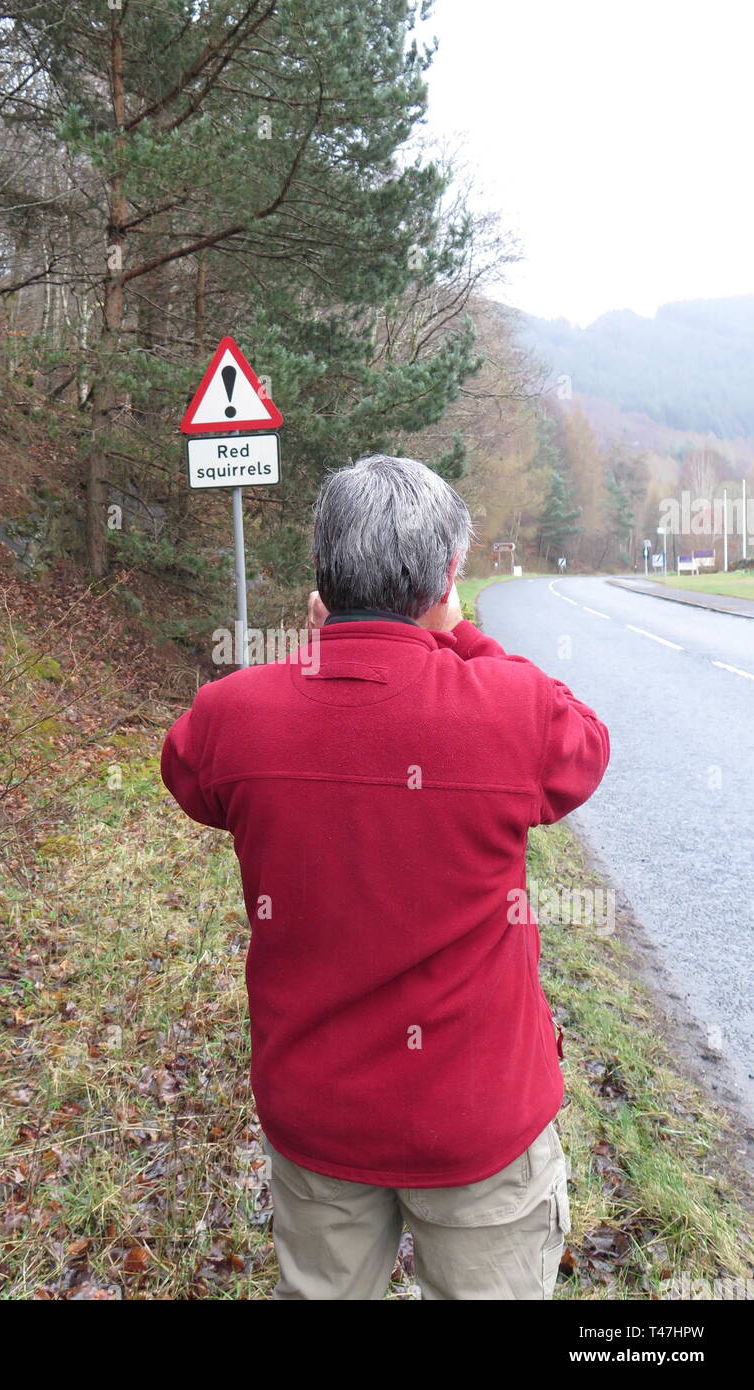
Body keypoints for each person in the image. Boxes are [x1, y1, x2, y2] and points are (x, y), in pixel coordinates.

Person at [160, 454, 610, 1300]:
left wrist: (322, 648)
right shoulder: (512, 708)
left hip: (314, 1112)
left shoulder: (232, 715)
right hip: (478, 1123)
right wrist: (459, 634)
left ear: (321, 578)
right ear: (448, 578)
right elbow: (585, 747)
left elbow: (191, 774)